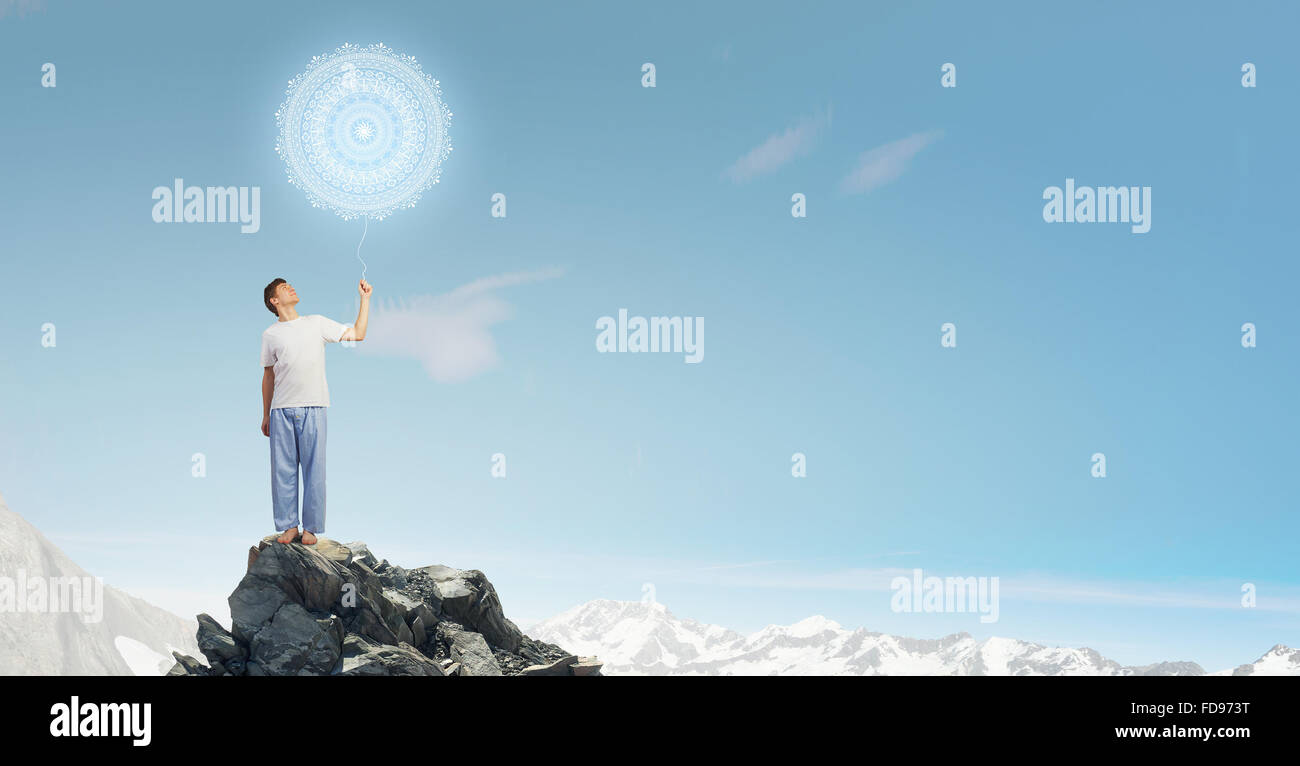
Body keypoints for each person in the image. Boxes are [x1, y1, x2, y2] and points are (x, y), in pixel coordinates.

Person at [259, 277, 372, 545]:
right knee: (282, 471)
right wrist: (265, 414)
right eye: (284, 287)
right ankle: (289, 526)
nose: (291, 287)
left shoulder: (316, 323)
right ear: (274, 301)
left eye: (290, 285)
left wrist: (365, 299)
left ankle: (310, 528)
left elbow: (358, 333)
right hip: (281, 410)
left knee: (314, 471)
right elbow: (268, 376)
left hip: (315, 406)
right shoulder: (270, 335)